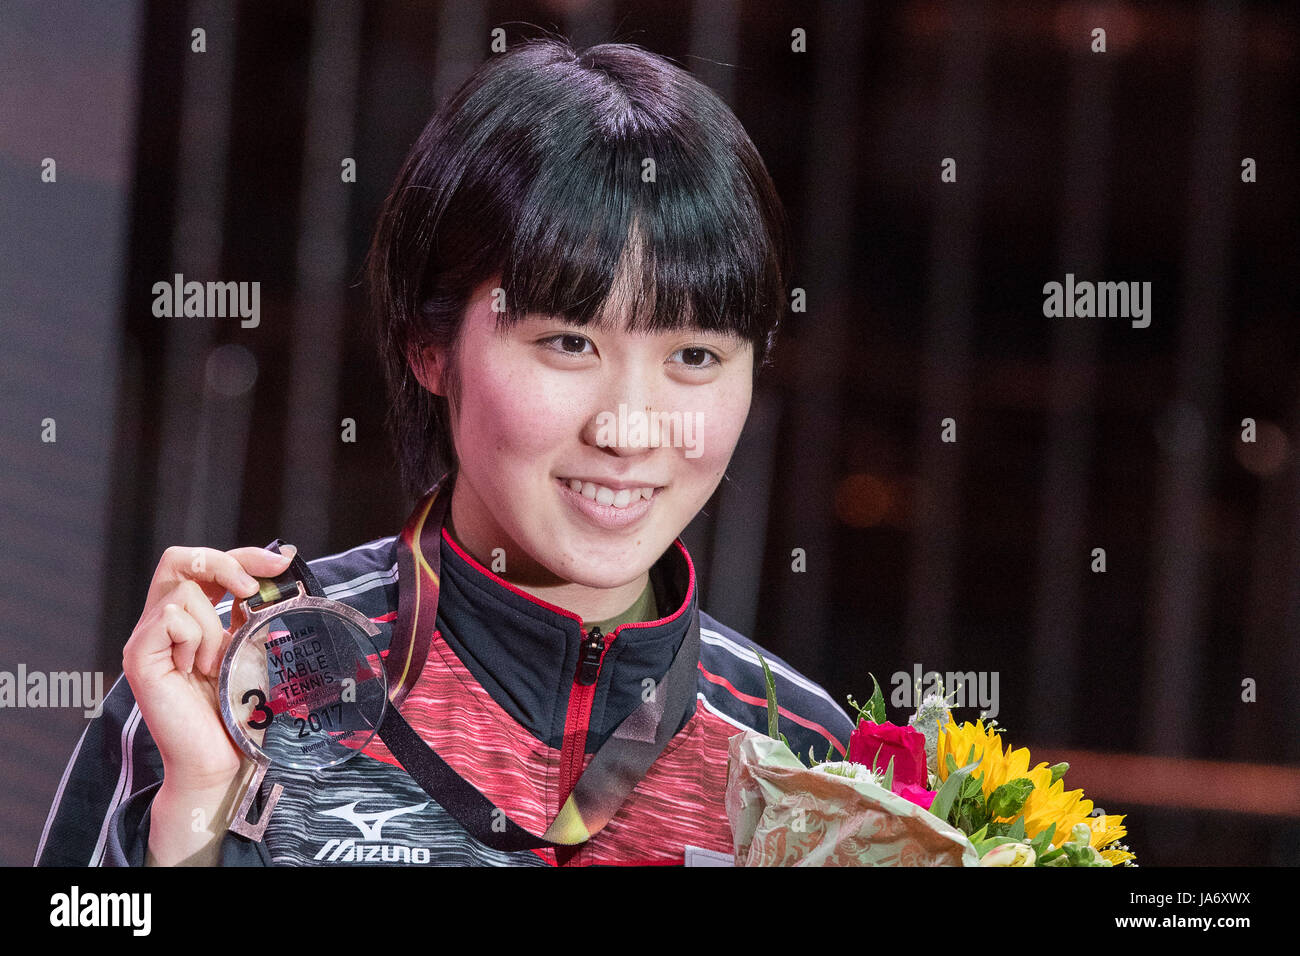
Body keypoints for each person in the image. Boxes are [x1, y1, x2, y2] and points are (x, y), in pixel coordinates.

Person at [35, 36, 854, 867]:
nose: (631, 428)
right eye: (569, 342)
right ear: (429, 346)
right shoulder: (240, 684)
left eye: (695, 357)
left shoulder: (810, 754)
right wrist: (198, 817)